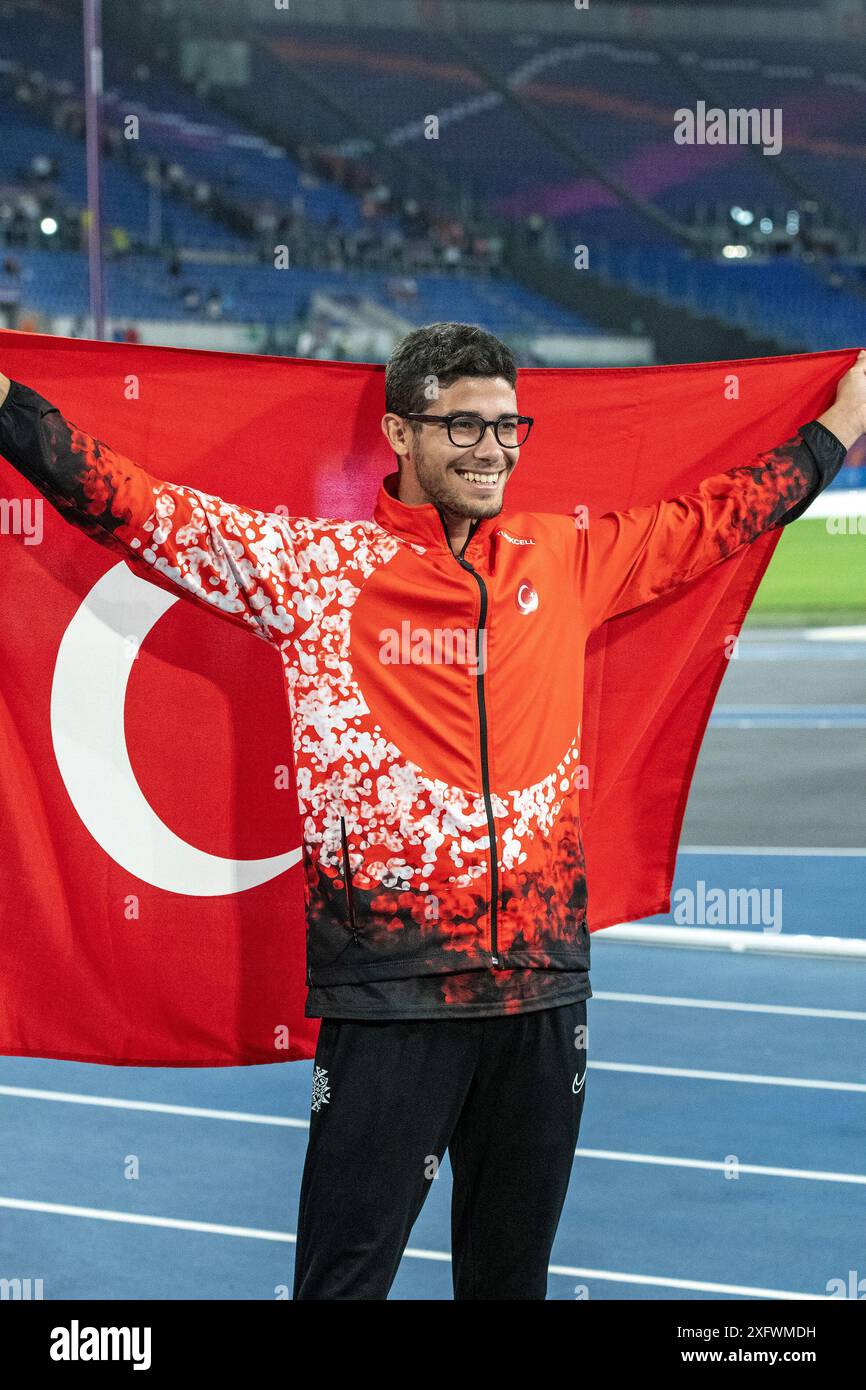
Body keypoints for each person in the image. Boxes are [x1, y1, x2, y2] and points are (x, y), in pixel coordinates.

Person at [0, 325, 863, 1301]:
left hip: (544, 997)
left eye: (506, 426)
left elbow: (719, 517)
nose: (491, 448)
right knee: (345, 1283)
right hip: (392, 1001)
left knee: (509, 1284)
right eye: (463, 426)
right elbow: (132, 506)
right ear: (400, 434)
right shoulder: (309, 571)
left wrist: (839, 423)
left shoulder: (567, 556)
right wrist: (6, 409)